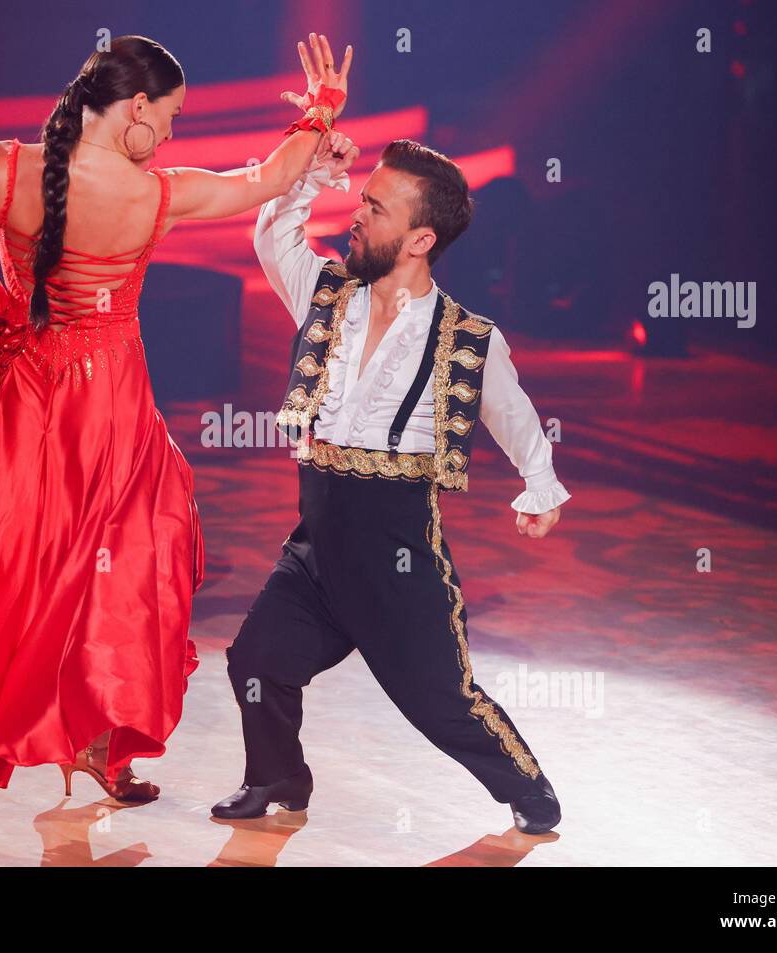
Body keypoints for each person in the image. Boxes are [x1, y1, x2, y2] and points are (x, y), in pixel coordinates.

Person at [0, 32, 354, 845]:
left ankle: (0, 749)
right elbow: (267, 180)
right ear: (136, 107)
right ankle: (63, 735)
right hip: (114, 405)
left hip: (33, 400)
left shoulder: (5, 167)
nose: (172, 134)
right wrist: (319, 112)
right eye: (171, 116)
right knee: (133, 554)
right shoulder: (157, 193)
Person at [211, 134, 572, 834]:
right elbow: (272, 234)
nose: (356, 213)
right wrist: (312, 169)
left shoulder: (467, 339)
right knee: (257, 659)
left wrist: (540, 484)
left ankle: (528, 788)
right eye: (363, 198)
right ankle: (276, 776)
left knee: (441, 702)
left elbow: (511, 411)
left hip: (399, 565)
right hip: (317, 552)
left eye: (375, 208)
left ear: (420, 239)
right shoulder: (324, 295)